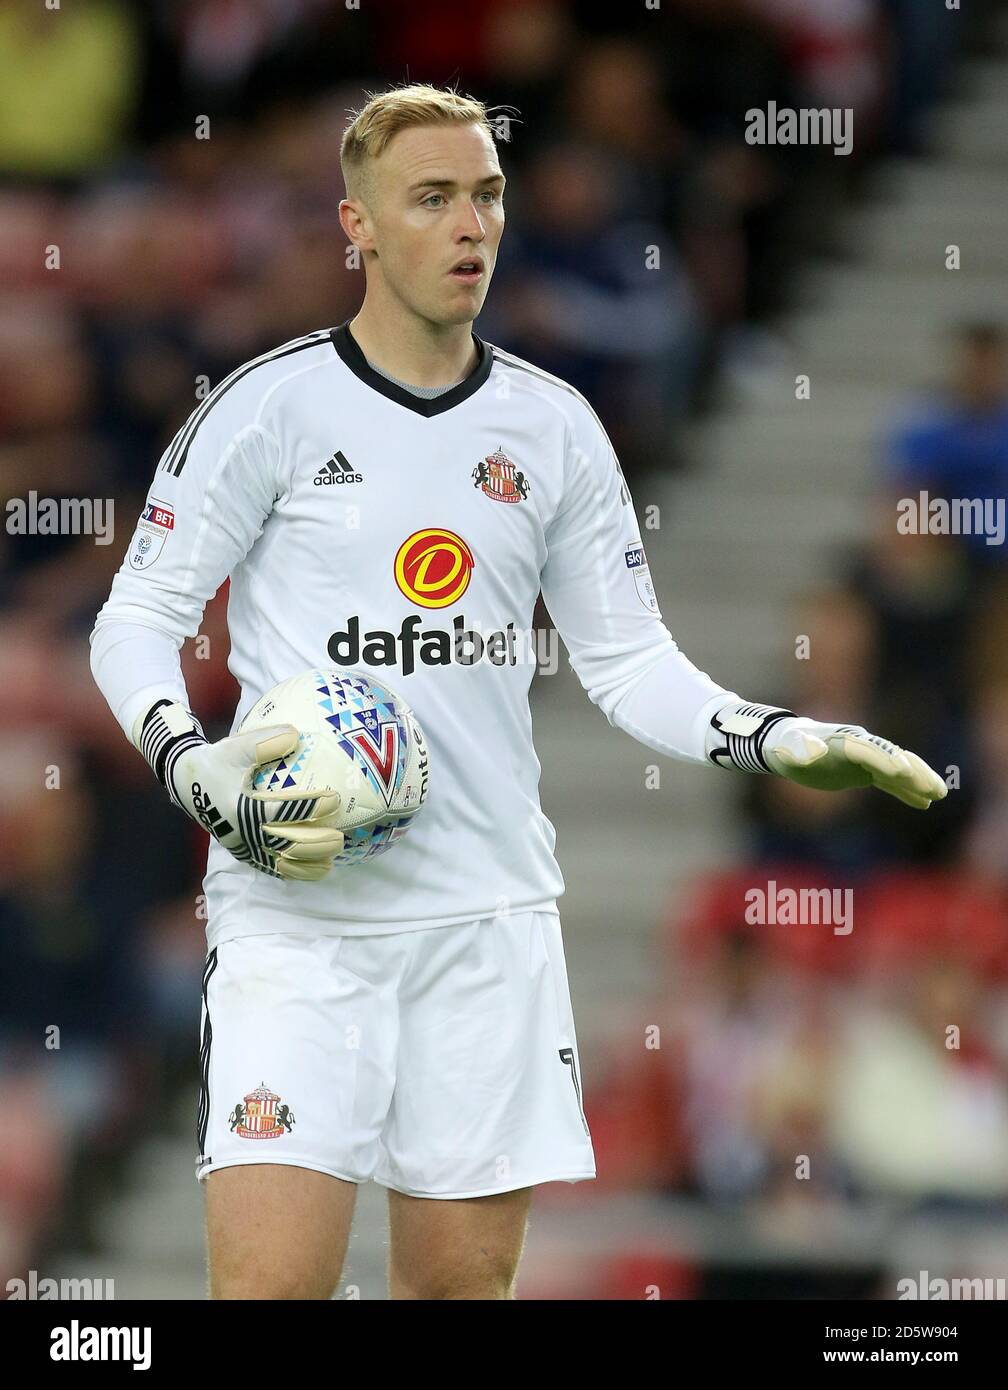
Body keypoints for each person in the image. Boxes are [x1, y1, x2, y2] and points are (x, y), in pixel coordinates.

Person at [89, 83, 946, 1301]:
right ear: (360, 225)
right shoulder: (268, 409)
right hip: (300, 920)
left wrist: (774, 736)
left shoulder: (554, 430)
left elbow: (630, 662)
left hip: (484, 926)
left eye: (485, 193)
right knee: (272, 1292)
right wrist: (191, 759)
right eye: (431, 197)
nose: (469, 223)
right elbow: (138, 619)